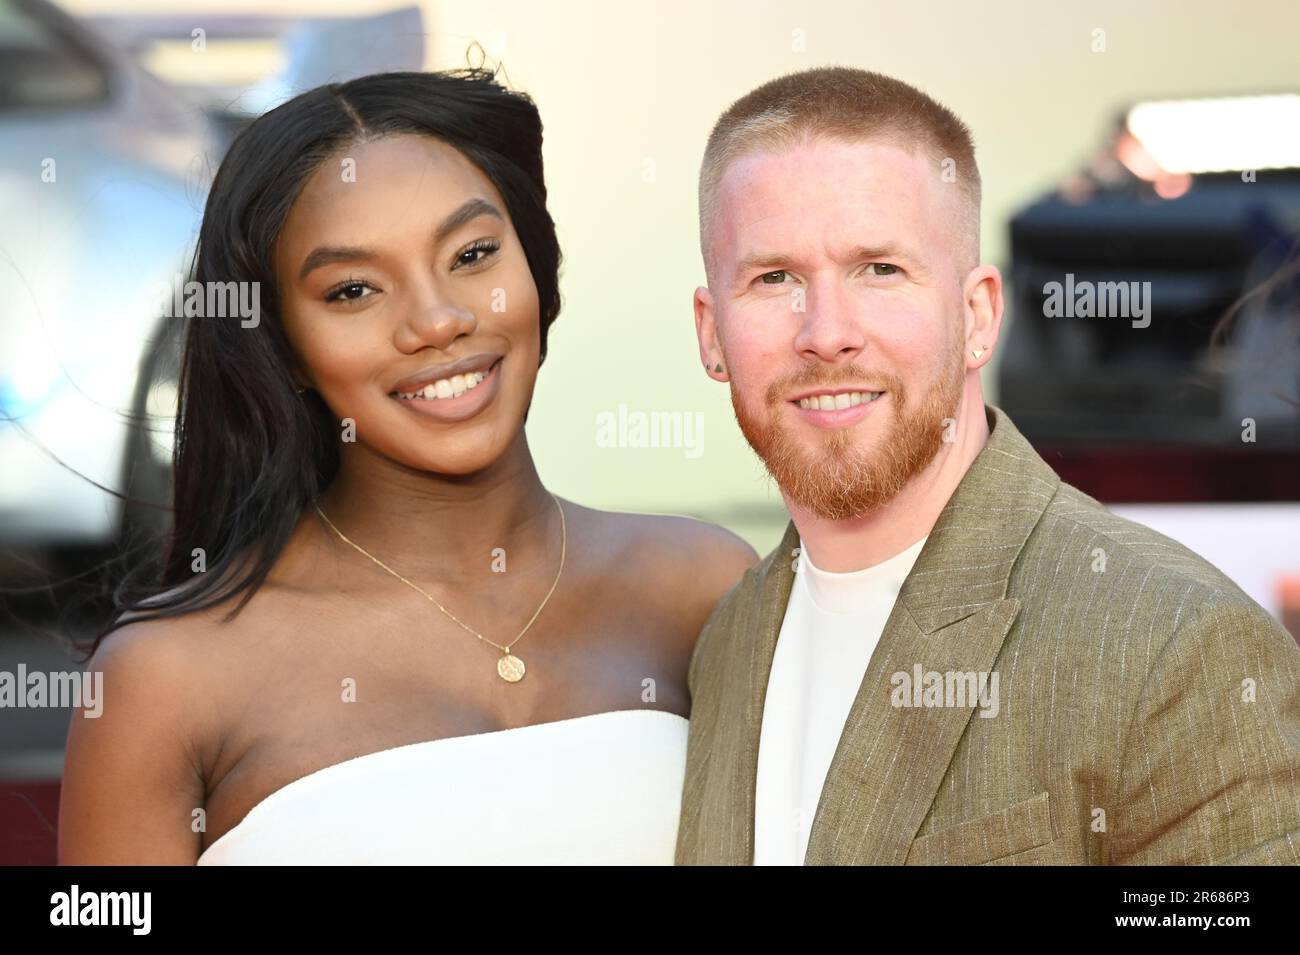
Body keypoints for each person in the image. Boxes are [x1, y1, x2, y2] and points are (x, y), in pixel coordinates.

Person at [57, 69, 757, 865]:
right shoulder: (164, 678)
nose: (437, 320)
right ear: (283, 347)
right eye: (353, 289)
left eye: (473, 253)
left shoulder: (704, 585)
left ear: (535, 265)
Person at [676, 66, 1300, 865]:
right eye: (775, 278)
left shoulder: (1176, 648)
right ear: (709, 331)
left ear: (977, 317)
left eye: (880, 269)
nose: (826, 332)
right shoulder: (725, 642)